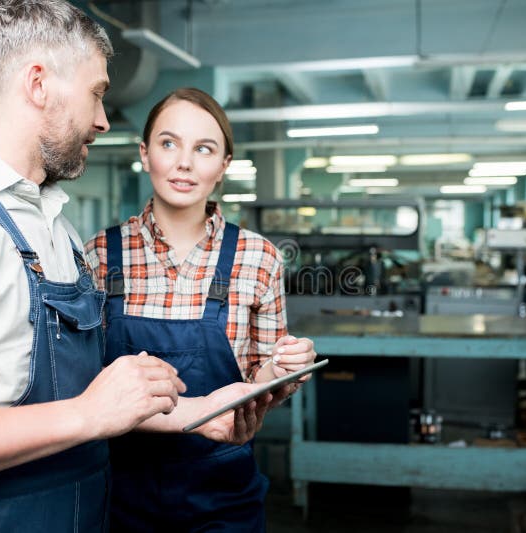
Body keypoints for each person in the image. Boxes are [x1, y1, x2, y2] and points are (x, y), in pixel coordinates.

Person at [0, 3, 266, 531]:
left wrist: (193, 414)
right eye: (97, 92)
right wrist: (87, 416)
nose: (104, 119)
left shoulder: (53, 225)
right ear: (39, 84)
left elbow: (84, 396)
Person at [86, 87, 317, 532]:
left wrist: (285, 365)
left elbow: (260, 380)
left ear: (224, 165)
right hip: (118, 493)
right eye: (168, 143)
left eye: (204, 149)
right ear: (145, 153)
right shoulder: (98, 254)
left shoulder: (259, 257)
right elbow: (81, 382)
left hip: (222, 496)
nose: (184, 163)